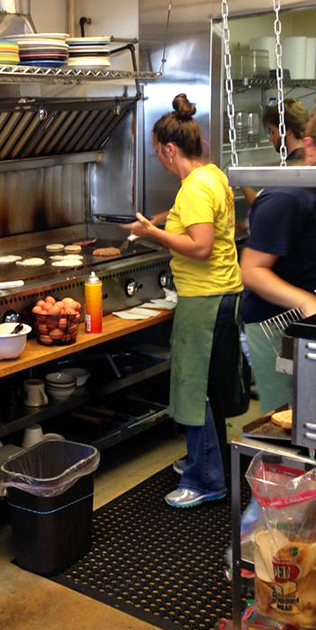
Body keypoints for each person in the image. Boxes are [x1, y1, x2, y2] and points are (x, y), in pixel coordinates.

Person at [125, 94, 243, 508]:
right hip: (225, 293)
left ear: (170, 148)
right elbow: (189, 212)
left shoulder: (194, 187)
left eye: (159, 153)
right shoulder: (211, 175)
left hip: (204, 299)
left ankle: (206, 480)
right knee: (209, 387)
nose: (159, 159)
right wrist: (154, 221)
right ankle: (205, 460)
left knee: (194, 390)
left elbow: (200, 245)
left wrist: (152, 234)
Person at [241, 95, 316, 413]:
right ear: (310, 148)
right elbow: (251, 271)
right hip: (277, 324)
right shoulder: (286, 196)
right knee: (290, 420)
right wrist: (306, 301)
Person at [241, 99, 308, 206]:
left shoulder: (293, 166)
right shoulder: (307, 157)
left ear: (287, 130)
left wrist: (242, 181)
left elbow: (262, 205)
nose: (270, 138)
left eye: (272, 131)